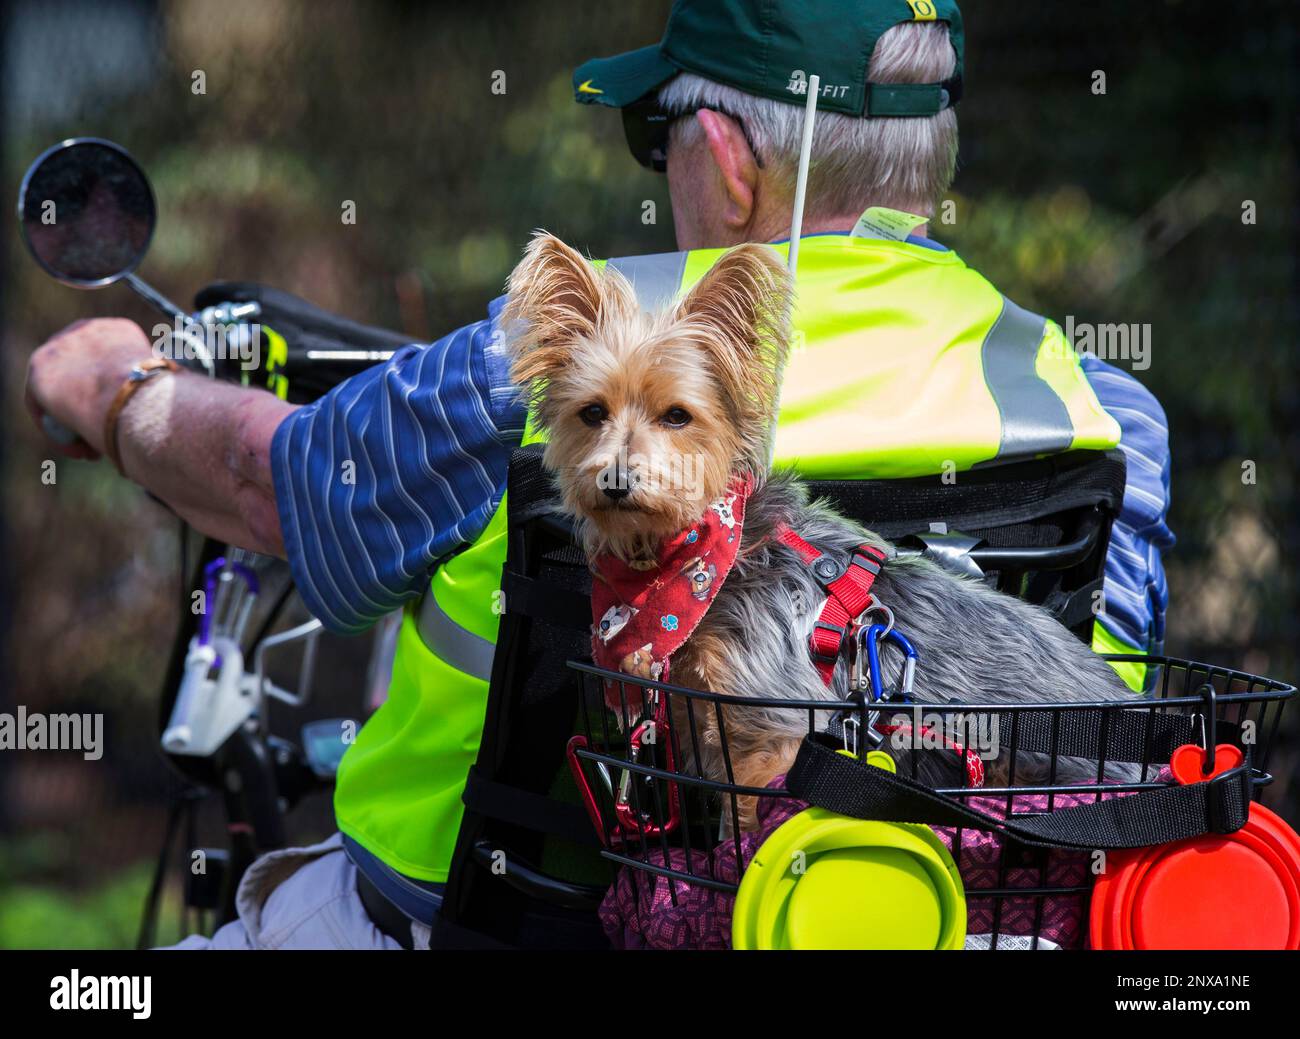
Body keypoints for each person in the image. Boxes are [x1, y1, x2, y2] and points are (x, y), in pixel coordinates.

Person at [23, 0, 1172, 950]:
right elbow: (1102, 680)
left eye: (654, 135)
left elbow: (276, 487)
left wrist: (116, 390)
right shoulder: (1096, 404)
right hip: (975, 920)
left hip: (486, 926)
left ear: (723, 163)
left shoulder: (535, 362)